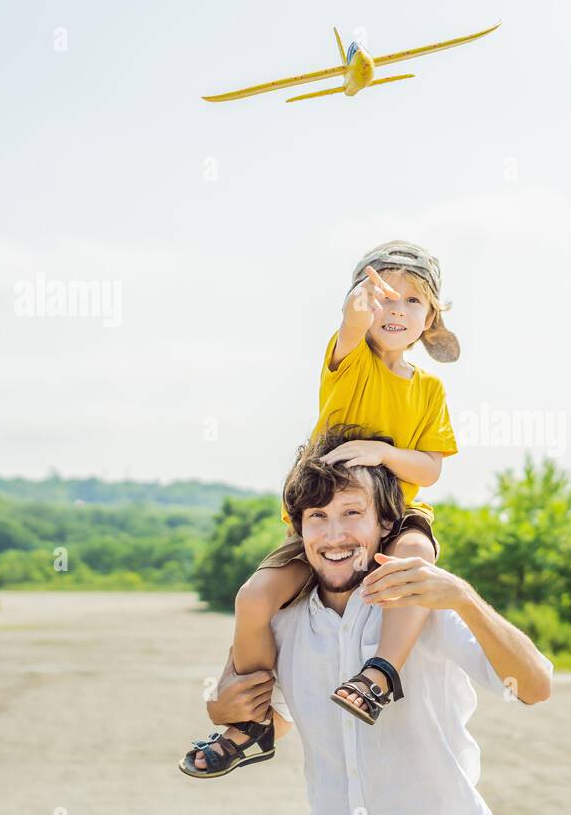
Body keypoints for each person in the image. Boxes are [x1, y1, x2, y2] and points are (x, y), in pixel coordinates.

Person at [187, 424, 553, 815]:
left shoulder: (422, 609)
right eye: (317, 517)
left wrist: (465, 598)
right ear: (299, 531)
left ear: (385, 523)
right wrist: (223, 706)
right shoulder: (284, 625)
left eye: (351, 513)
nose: (334, 535)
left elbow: (534, 687)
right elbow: (285, 719)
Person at [180, 239, 464, 773]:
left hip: (395, 513)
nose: (395, 310)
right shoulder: (350, 360)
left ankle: (378, 676)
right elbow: (353, 325)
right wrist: (357, 308)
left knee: (413, 560)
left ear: (430, 318)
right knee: (256, 595)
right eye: (383, 298)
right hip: (326, 515)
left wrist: (383, 453)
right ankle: (251, 723)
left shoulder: (429, 389)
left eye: (411, 301)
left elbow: (430, 467)